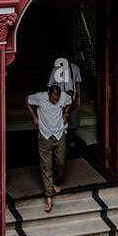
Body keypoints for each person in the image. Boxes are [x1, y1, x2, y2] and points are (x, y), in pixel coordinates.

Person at [26, 83, 70, 212]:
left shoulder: (64, 97)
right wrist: (34, 116)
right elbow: (26, 100)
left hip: (59, 134)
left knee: (60, 163)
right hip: (45, 136)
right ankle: (49, 197)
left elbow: (70, 101)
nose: (55, 101)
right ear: (48, 93)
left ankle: (55, 183)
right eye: (53, 99)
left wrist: (65, 114)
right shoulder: (39, 97)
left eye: (57, 99)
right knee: (46, 167)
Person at [49, 57, 82, 148]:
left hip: (73, 99)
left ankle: (70, 139)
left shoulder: (75, 68)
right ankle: (62, 142)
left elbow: (78, 82)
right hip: (59, 101)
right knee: (60, 122)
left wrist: (79, 98)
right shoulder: (56, 69)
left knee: (74, 121)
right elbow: (50, 86)